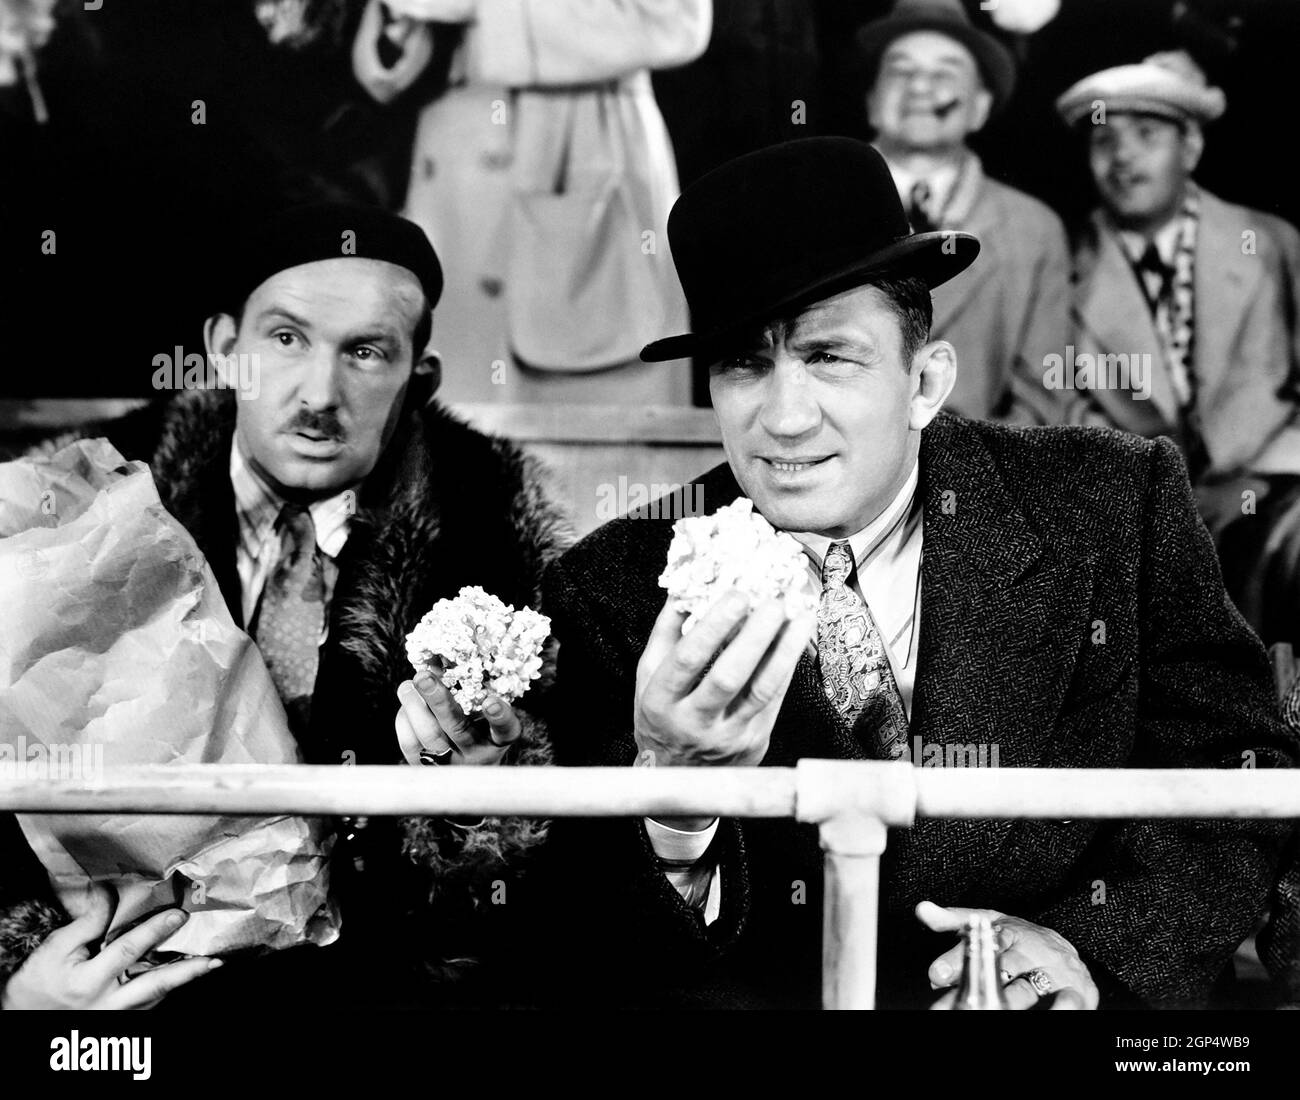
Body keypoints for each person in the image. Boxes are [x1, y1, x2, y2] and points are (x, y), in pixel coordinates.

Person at [529, 136, 1299, 1009]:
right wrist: (674, 798)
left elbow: (1235, 775)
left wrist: (1090, 954)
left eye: (829, 356)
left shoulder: (1110, 503)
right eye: (745, 362)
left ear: (926, 381)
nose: (784, 418)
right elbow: (589, 944)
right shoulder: (612, 589)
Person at [0, 202, 569, 1009]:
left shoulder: (499, 545)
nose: (319, 395)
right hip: (130, 995)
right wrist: (22, 987)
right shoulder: (72, 512)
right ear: (223, 347)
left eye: (366, 352)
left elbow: (532, 901)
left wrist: (477, 809)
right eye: (286, 339)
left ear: (420, 378)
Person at [351, 0, 711, 407]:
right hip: (451, 171)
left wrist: (487, 11)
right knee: (453, 417)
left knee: (595, 423)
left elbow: (678, 23)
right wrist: (401, 26)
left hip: (581, 152)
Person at [1056, 51, 1300, 643]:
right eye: (1104, 140)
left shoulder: (1268, 243)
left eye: (1147, 134)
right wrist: (1159, 496)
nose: (1123, 157)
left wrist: (1257, 481)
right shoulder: (1064, 265)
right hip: (1133, 506)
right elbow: (1062, 402)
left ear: (1190, 148)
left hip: (1273, 489)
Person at [857, 0, 1070, 423]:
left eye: (945, 73)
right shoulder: (813, 209)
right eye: (901, 71)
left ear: (980, 108)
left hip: (982, 460)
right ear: (873, 101)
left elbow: (1042, 404)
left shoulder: (1035, 230)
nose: (921, 86)